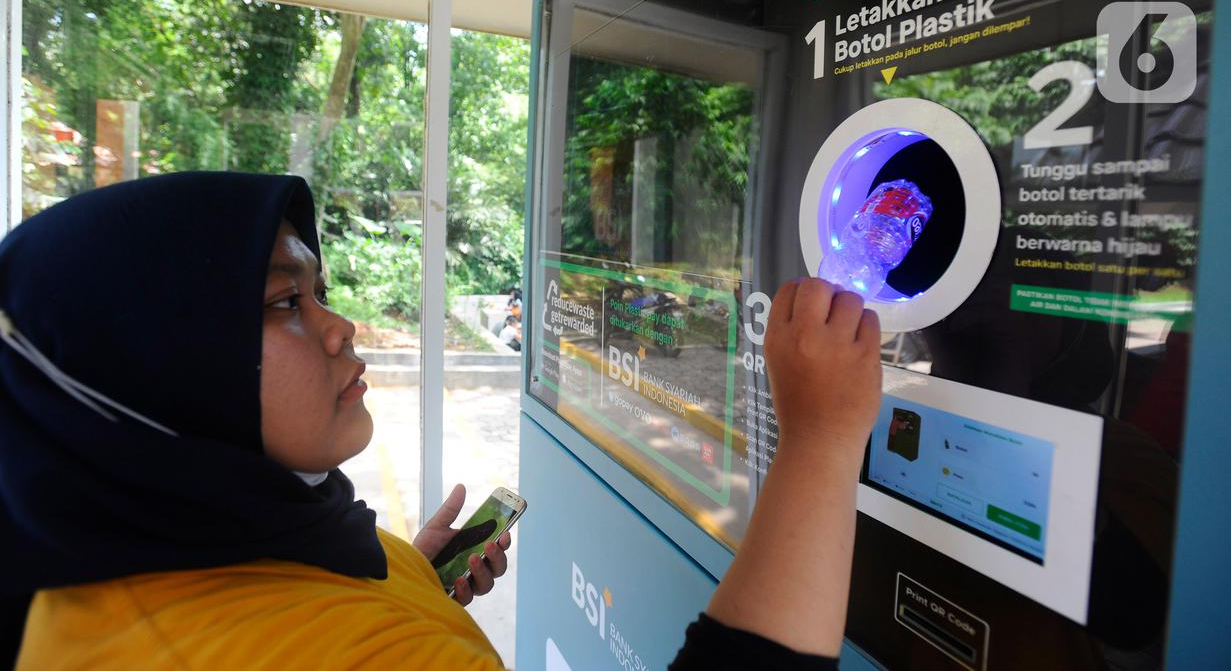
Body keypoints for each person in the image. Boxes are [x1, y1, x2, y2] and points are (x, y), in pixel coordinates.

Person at [1, 173, 880, 669]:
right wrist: (818, 436)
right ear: (153, 369)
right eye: (282, 303)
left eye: (319, 291)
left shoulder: (123, 559)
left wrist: (412, 583)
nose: (340, 327)